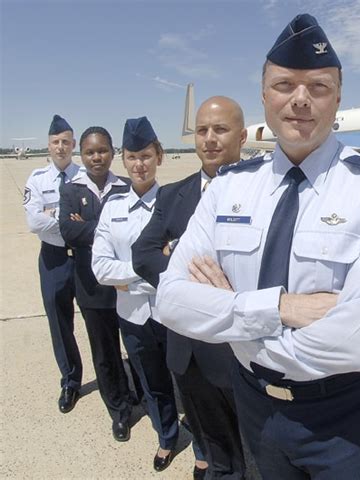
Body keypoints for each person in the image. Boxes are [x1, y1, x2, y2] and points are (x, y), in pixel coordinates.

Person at [155, 13, 360, 480]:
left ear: (337, 98)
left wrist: (232, 320)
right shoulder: (228, 187)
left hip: (342, 417)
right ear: (263, 95)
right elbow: (172, 301)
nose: (300, 99)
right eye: (284, 84)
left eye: (317, 86)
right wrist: (281, 307)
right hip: (255, 409)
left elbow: (358, 344)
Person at [132, 97, 247, 480]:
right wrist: (193, 282)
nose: (209, 139)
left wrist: (178, 256)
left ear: (242, 136)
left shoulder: (265, 189)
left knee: (254, 448)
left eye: (220, 130)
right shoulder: (172, 196)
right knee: (215, 450)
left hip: (241, 350)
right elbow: (144, 253)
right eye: (201, 131)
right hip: (190, 354)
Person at [91, 117, 179, 472]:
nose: (139, 164)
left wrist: (126, 276)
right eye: (132, 157)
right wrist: (147, 272)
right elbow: (100, 267)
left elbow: (182, 263)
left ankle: (204, 442)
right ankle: (167, 437)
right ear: (122, 160)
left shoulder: (175, 203)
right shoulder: (112, 209)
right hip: (133, 316)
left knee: (191, 382)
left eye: (146, 155)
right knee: (152, 381)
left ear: (158, 156)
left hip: (173, 313)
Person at [59, 126, 134, 442]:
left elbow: (138, 231)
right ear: (82, 155)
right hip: (91, 288)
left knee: (138, 347)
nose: (96, 157)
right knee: (104, 353)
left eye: (102, 150)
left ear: (113, 152)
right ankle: (118, 410)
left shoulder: (127, 187)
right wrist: (112, 229)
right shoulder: (71, 190)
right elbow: (67, 231)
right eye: (89, 152)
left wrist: (88, 227)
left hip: (128, 285)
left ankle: (143, 394)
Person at [23, 114, 84, 413]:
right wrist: (70, 222)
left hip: (85, 259)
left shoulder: (85, 177)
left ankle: (118, 379)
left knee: (102, 321)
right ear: (48, 145)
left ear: (73, 144)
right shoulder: (37, 179)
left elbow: (94, 219)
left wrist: (53, 216)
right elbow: (34, 222)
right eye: (55, 142)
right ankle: (70, 381)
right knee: (60, 325)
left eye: (66, 142)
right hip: (53, 259)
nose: (61, 147)